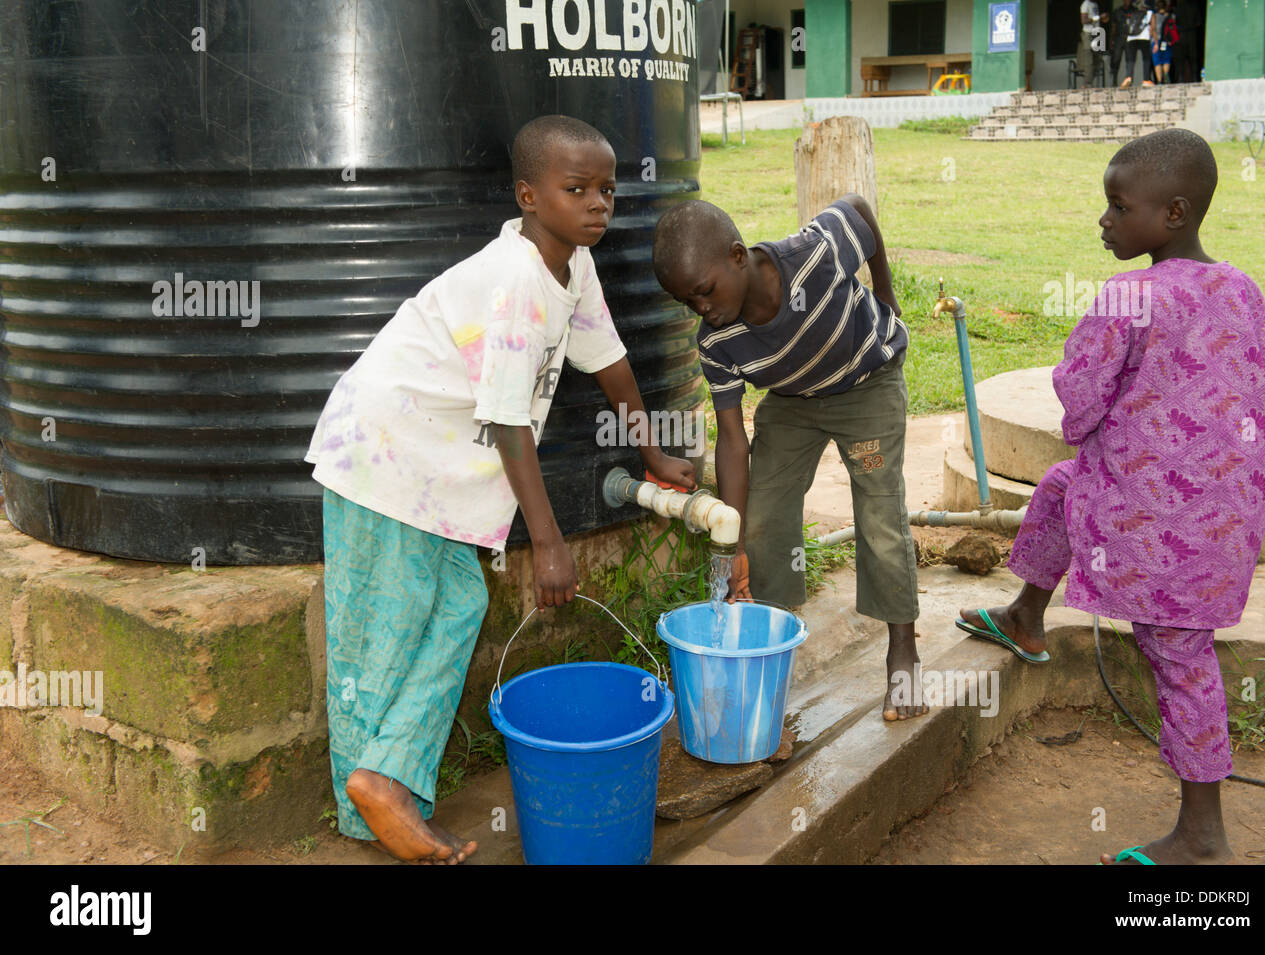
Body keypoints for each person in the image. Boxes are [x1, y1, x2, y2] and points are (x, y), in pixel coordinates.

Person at [303, 114, 695, 864]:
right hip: (383, 453)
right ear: (528, 196)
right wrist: (547, 543)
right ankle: (376, 797)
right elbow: (511, 421)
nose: (597, 204)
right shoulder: (517, 279)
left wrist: (653, 452)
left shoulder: (572, 264)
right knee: (380, 633)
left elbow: (609, 361)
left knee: (458, 604)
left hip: (429, 466)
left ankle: (381, 783)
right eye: (574, 188)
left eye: (607, 189)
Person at [958, 128, 1265, 864]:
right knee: (1063, 486)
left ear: (1172, 212)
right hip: (1226, 523)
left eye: (1116, 206)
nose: (1103, 220)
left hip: (1159, 529)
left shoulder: (1127, 294)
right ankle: (1026, 615)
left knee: (1178, 651)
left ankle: (1203, 838)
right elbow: (1262, 386)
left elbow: (1077, 406)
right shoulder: (1243, 290)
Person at [651, 197, 928, 722]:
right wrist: (729, 540)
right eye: (688, 302)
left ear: (738, 256)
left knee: (880, 517)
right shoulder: (717, 341)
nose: (701, 309)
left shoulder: (816, 252)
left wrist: (886, 295)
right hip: (793, 404)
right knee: (763, 520)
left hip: (868, 385)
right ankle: (769, 653)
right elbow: (732, 440)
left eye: (705, 291)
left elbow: (862, 210)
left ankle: (903, 658)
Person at [1120, 0, 1155, 87]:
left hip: (1131, 38)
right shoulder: (1150, 13)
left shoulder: (1131, 12)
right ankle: (1146, 80)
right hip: (1144, 37)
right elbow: (1153, 29)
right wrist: (1156, 42)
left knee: (1130, 60)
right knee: (1146, 58)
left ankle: (1128, 77)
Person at [1077, 0, 1105, 88]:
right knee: (1088, 57)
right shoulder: (1086, 4)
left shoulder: (1095, 4)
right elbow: (1084, 20)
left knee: (1097, 58)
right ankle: (1087, 83)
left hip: (1097, 33)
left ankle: (1090, 82)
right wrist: (1099, 17)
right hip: (1088, 33)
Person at [1172, 0, 1201, 82]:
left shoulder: (1177, 8)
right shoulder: (1194, 7)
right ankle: (1195, 77)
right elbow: (1198, 22)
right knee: (1193, 58)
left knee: (1180, 58)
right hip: (1192, 34)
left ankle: (1180, 78)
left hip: (1181, 34)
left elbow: (1174, 22)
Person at [1151, 0, 1176, 84]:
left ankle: (1159, 81)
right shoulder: (1171, 16)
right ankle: (1166, 74)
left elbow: (1153, 29)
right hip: (1167, 41)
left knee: (1157, 61)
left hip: (1156, 42)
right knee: (1166, 59)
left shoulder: (1154, 16)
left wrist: (1156, 43)